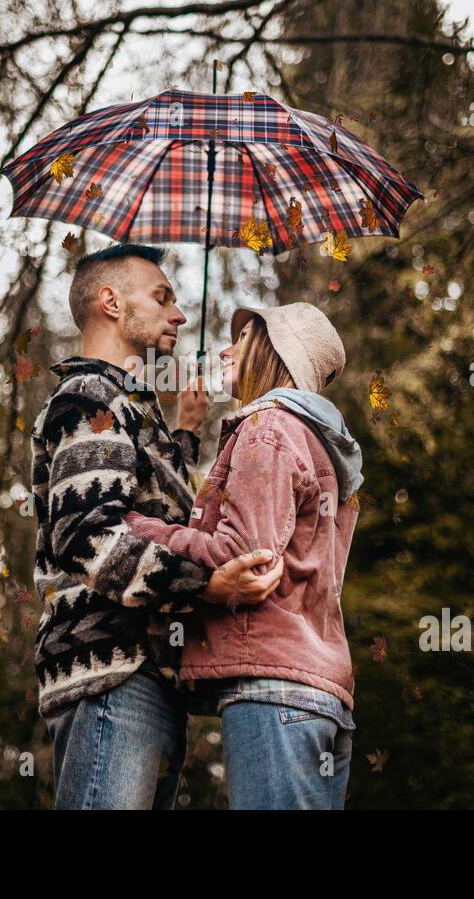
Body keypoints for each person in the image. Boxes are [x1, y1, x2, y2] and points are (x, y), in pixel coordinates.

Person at [30, 242, 284, 810]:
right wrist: (207, 584)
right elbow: (90, 539)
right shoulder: (89, 397)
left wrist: (184, 434)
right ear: (111, 302)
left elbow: (153, 514)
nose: (180, 315)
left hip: (148, 673)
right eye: (162, 297)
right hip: (109, 669)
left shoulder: (128, 409)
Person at [125, 301, 363, 809]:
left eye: (246, 338)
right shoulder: (321, 445)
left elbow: (245, 554)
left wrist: (149, 531)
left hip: (275, 688)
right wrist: (187, 433)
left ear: (274, 353)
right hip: (321, 690)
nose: (227, 348)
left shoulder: (267, 429)